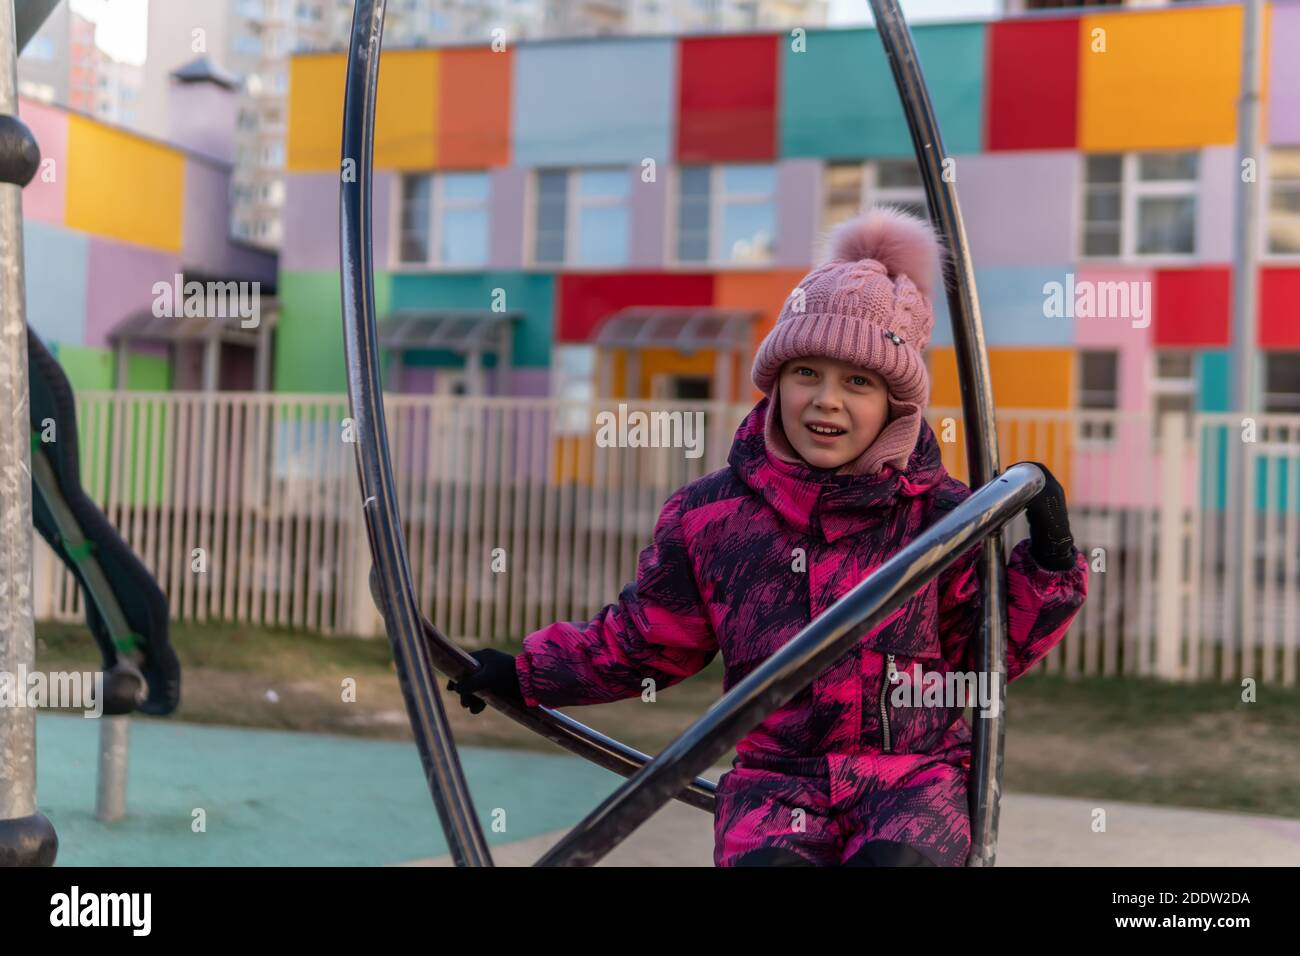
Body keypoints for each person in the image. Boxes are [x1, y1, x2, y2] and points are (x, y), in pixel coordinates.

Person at [449, 206, 1088, 867]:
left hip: (911, 776)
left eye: (858, 382)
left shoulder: (943, 520)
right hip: (777, 781)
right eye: (806, 373)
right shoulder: (713, 519)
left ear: (897, 405)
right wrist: (526, 673)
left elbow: (985, 653)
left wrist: (1050, 563)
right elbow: (648, 642)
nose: (826, 400)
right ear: (776, 382)